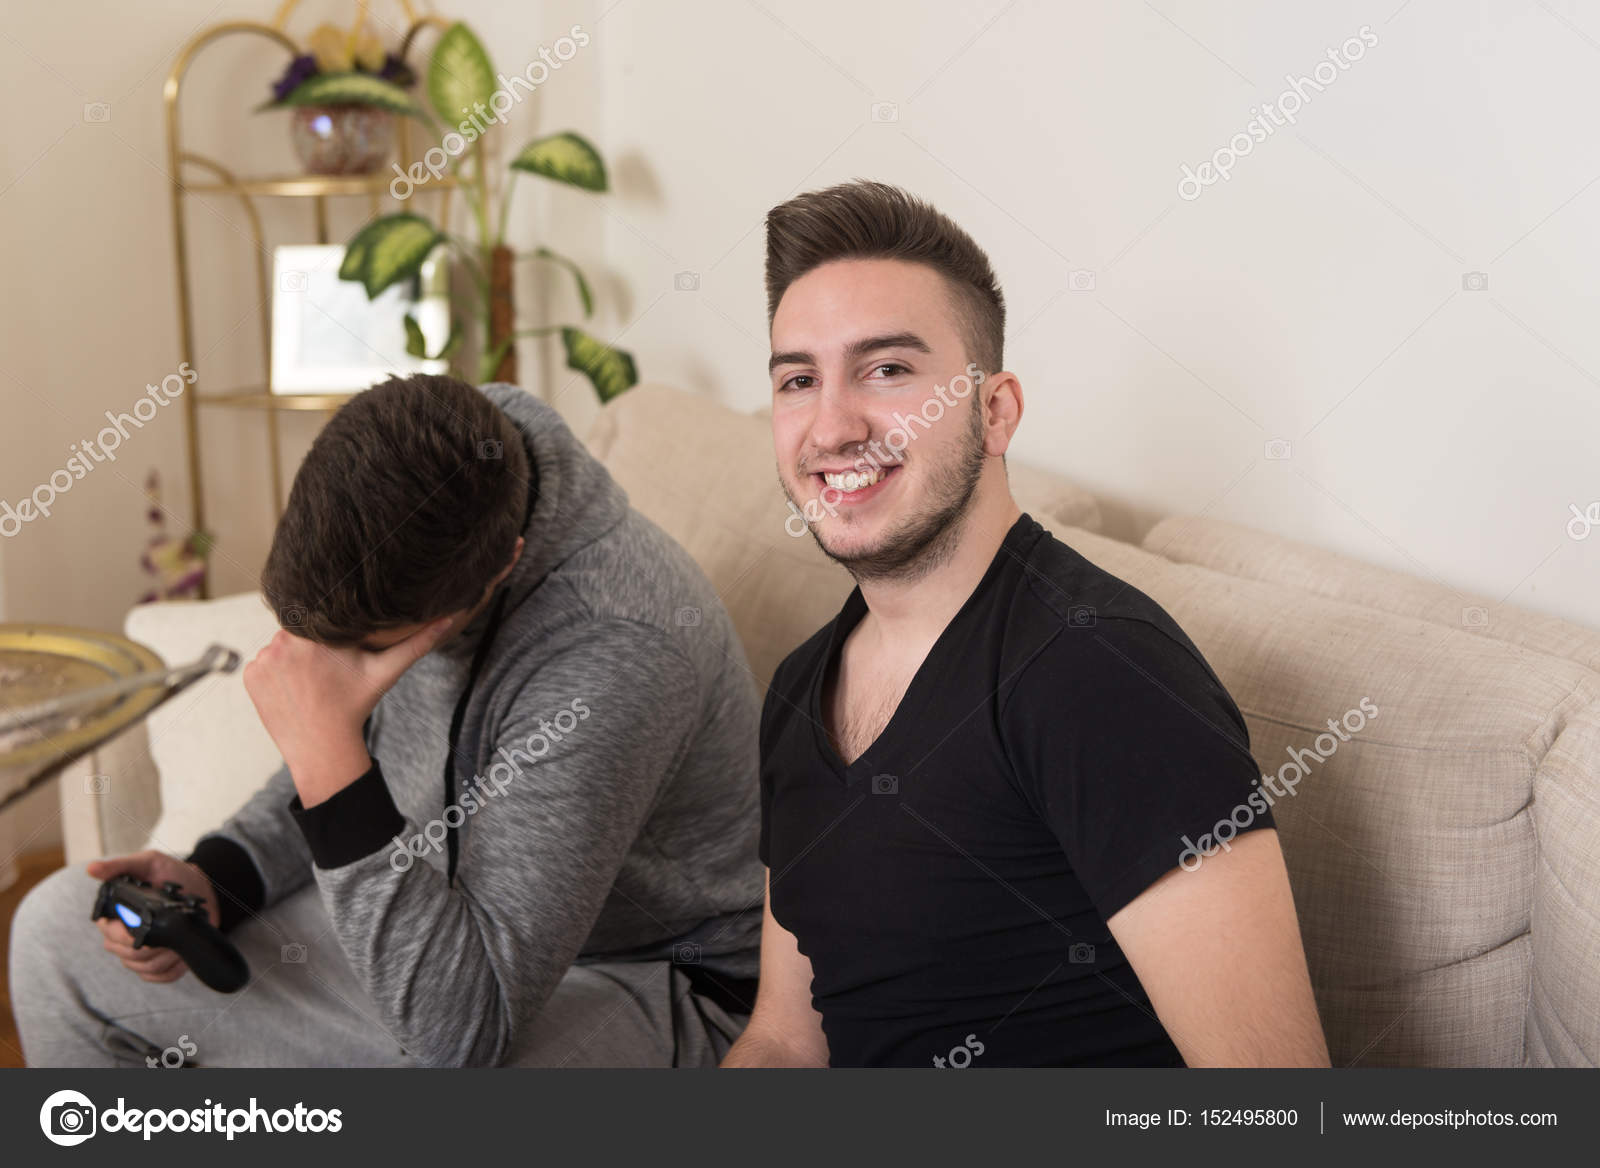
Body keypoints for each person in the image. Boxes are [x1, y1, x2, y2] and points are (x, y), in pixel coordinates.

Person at [723, 181, 1330, 1068]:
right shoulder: (798, 688)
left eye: (887, 370)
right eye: (798, 380)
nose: (833, 424)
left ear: (996, 410)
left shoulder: (1101, 675)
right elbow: (784, 1039)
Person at [12, 375, 764, 1067]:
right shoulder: (434, 473)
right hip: (430, 918)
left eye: (362, 653)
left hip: (635, 982)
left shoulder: (615, 650)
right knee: (55, 932)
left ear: (499, 569)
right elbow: (347, 743)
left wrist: (323, 751)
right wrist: (218, 877)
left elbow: (461, 1035)